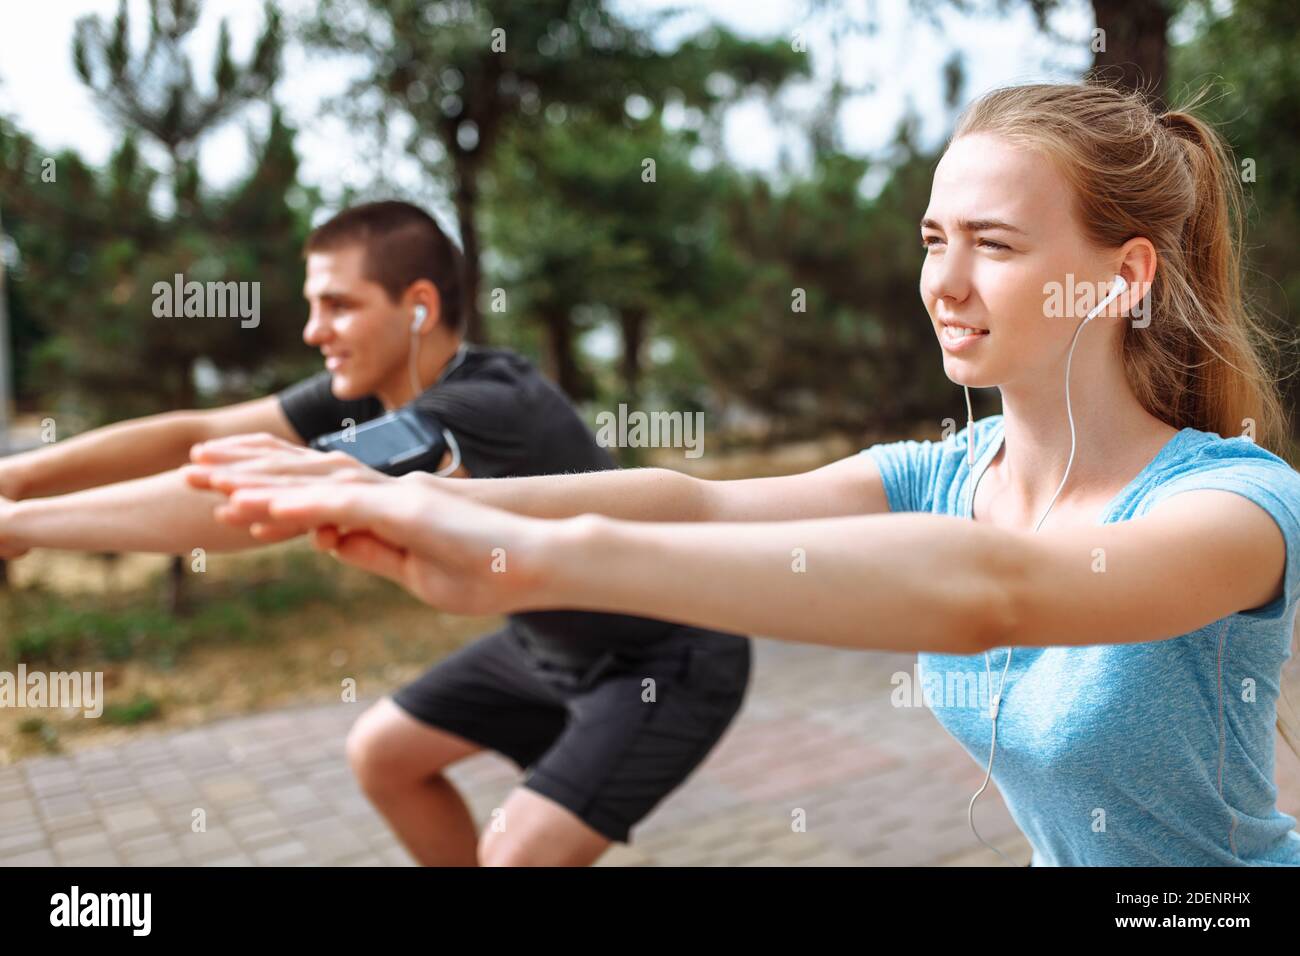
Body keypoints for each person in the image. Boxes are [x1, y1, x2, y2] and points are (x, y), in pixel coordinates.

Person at [188, 83, 1300, 866]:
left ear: (1123, 276)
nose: (943, 283)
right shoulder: (948, 471)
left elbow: (990, 591)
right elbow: (698, 499)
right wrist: (426, 500)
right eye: (931, 236)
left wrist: (538, 557)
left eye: (994, 245)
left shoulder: (1231, 507)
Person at [0, 200, 752, 867]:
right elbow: (198, 435)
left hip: (665, 655)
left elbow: (268, 500)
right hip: (546, 643)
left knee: (516, 856)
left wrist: (23, 526)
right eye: (311, 305)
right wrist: (19, 480)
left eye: (337, 306)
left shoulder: (484, 403)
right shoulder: (360, 389)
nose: (312, 329)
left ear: (417, 307)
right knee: (384, 754)